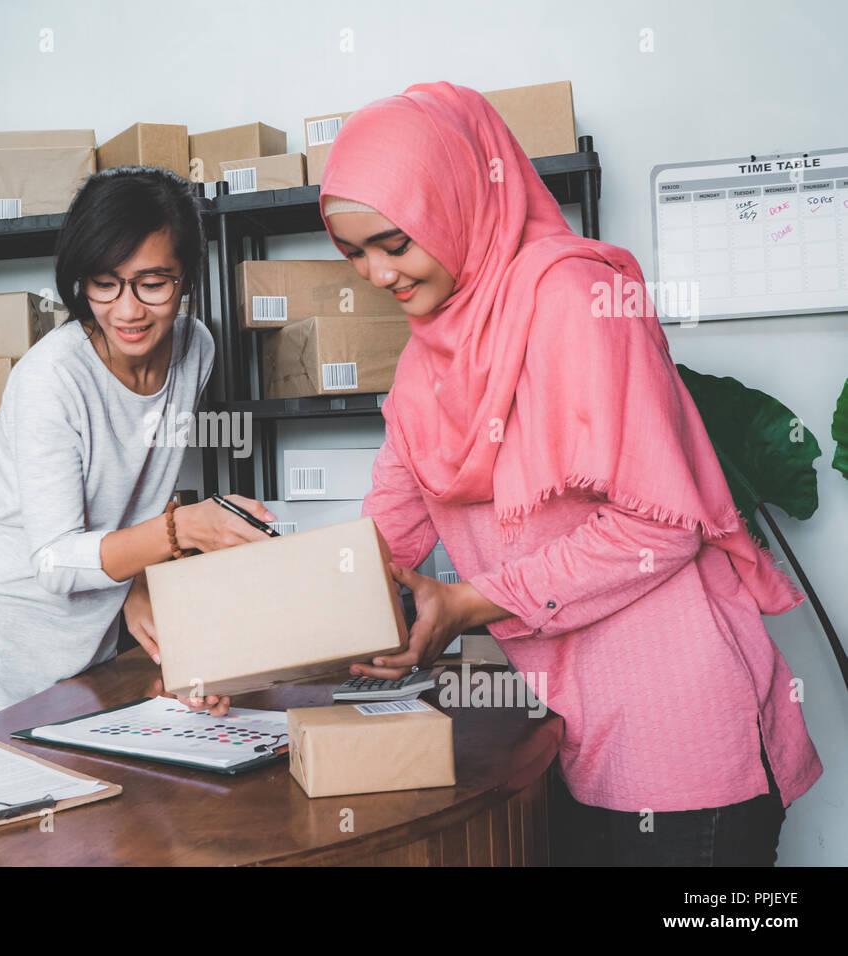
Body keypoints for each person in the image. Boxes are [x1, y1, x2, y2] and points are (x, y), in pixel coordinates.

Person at [318, 81, 822, 866]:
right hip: (575, 731)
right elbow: (382, 535)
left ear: (457, 202)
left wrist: (464, 602)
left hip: (684, 740)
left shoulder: (575, 297)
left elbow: (660, 525)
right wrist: (240, 641)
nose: (378, 276)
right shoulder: (429, 360)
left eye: (394, 243)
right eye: (354, 254)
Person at [0, 166, 273, 740]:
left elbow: (132, 490)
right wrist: (180, 528)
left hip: (90, 647)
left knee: (98, 820)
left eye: (153, 282)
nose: (128, 310)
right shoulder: (51, 379)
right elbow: (56, 562)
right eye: (105, 283)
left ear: (186, 279)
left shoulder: (195, 349)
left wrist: (139, 586)